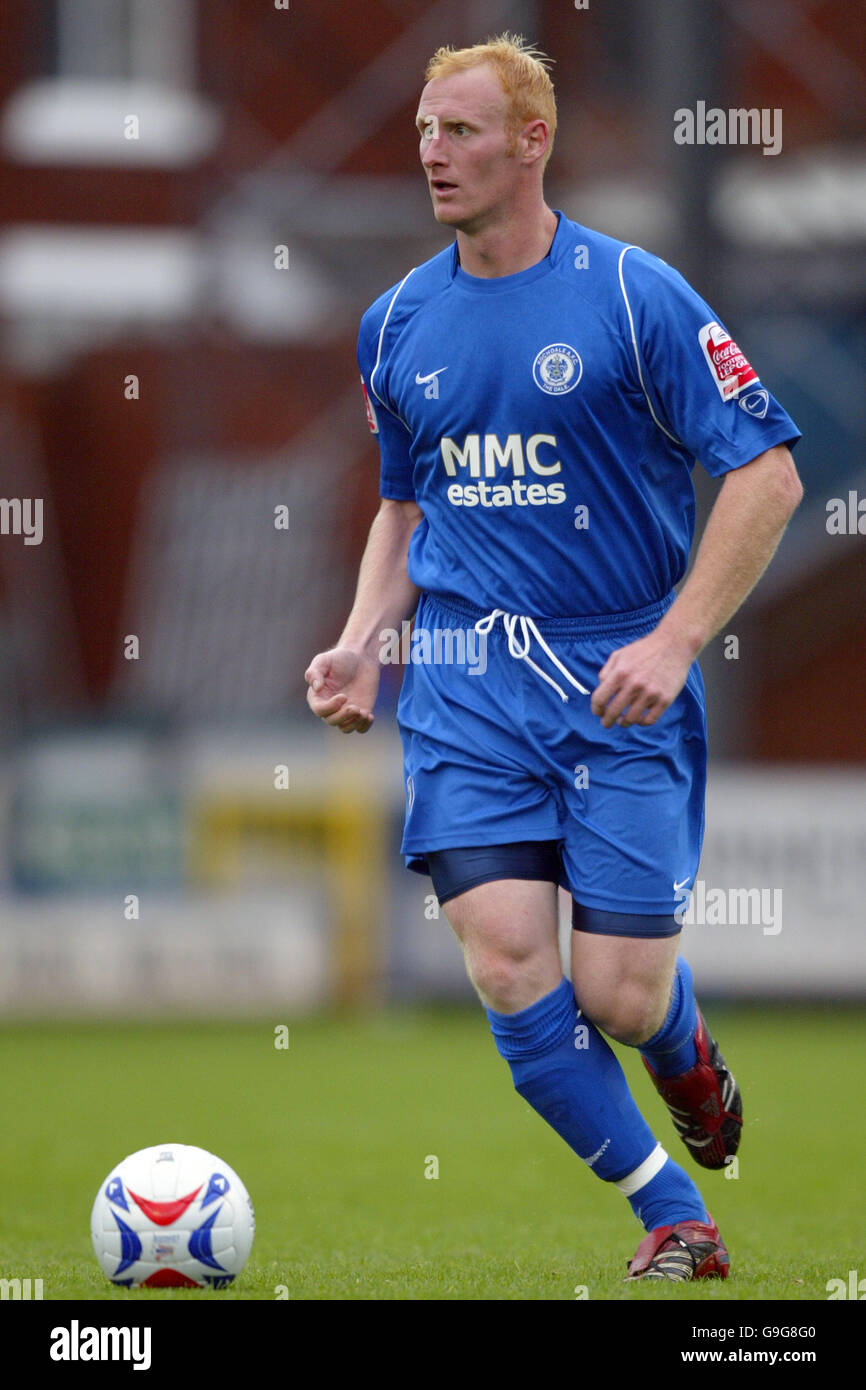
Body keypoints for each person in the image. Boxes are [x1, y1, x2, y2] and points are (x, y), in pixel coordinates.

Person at [305, 33, 802, 1282]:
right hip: (467, 683)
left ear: (532, 142)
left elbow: (767, 469)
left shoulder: (634, 297)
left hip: (614, 679)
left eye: (460, 130)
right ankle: (674, 1216)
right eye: (422, 129)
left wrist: (675, 636)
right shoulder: (394, 321)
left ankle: (682, 1052)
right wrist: (365, 643)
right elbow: (404, 511)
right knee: (508, 960)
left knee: (620, 999)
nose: (432, 150)